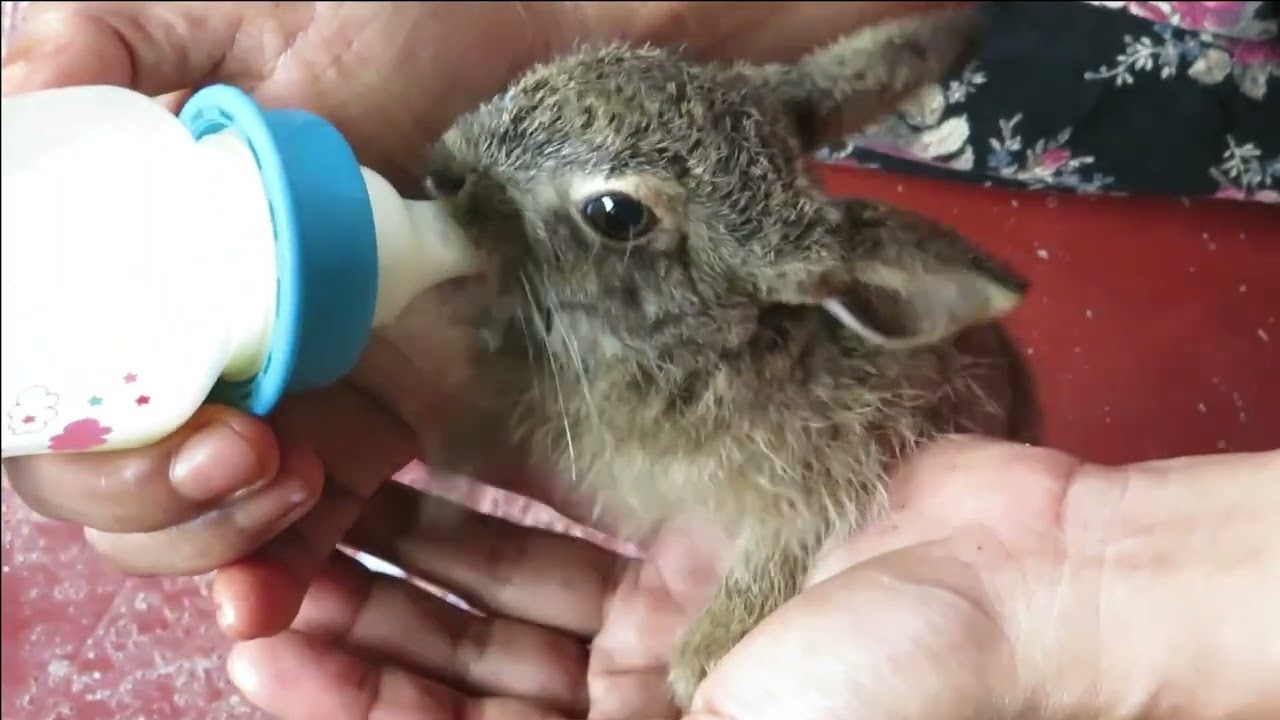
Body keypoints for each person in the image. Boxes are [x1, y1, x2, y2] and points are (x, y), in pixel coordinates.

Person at [1, 3, 1276, 718]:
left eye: (611, 216)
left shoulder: (793, 409)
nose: (449, 172)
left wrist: (1069, 609)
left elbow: (799, 512)